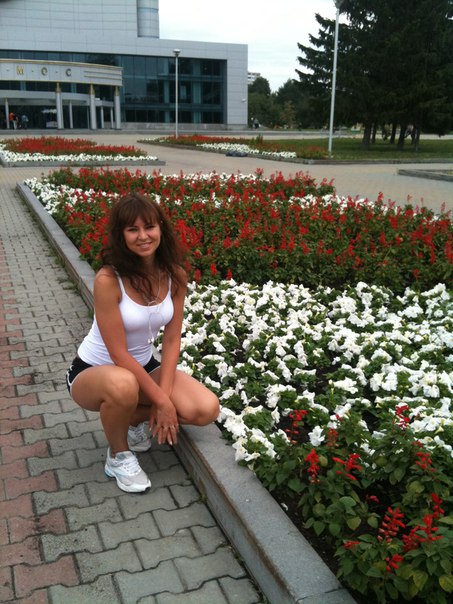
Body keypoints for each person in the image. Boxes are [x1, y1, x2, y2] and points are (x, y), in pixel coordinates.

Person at [66, 192, 220, 493]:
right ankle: (118, 455)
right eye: (132, 229)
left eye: (149, 226)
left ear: (161, 228)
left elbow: (172, 339)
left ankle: (132, 420)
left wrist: (165, 397)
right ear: (121, 236)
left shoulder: (175, 276)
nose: (143, 236)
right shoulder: (109, 280)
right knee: (124, 385)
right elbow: (118, 353)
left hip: (143, 366)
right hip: (93, 370)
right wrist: (161, 401)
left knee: (205, 409)